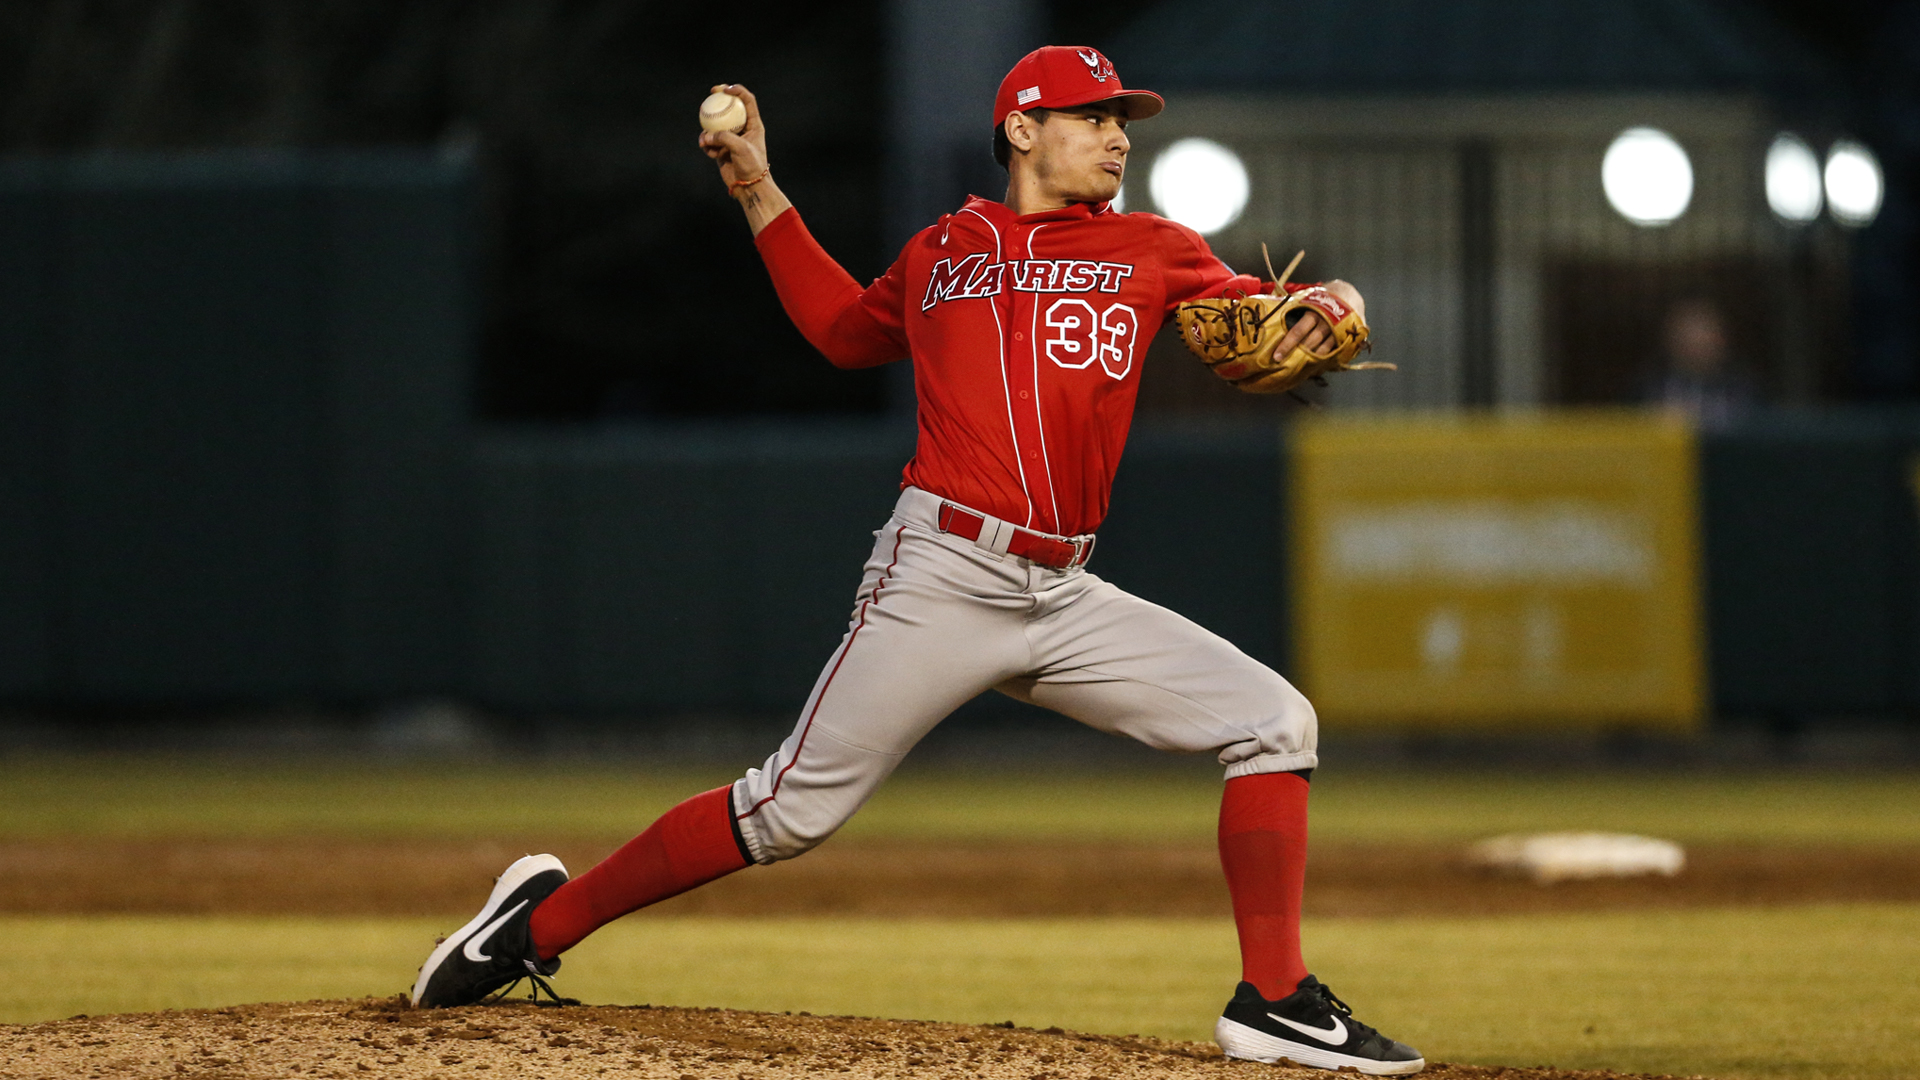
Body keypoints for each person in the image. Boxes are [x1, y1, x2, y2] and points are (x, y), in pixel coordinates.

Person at [410, 45, 1423, 1076]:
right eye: (1092, 114)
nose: (1119, 134)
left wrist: (1323, 298)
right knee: (785, 811)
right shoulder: (946, 250)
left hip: (1062, 590)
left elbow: (1251, 311)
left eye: (1124, 119)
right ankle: (528, 930)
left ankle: (1278, 1000)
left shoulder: (1154, 247)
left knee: (1273, 721)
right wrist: (756, 185)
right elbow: (845, 333)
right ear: (1022, 129)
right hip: (942, 574)